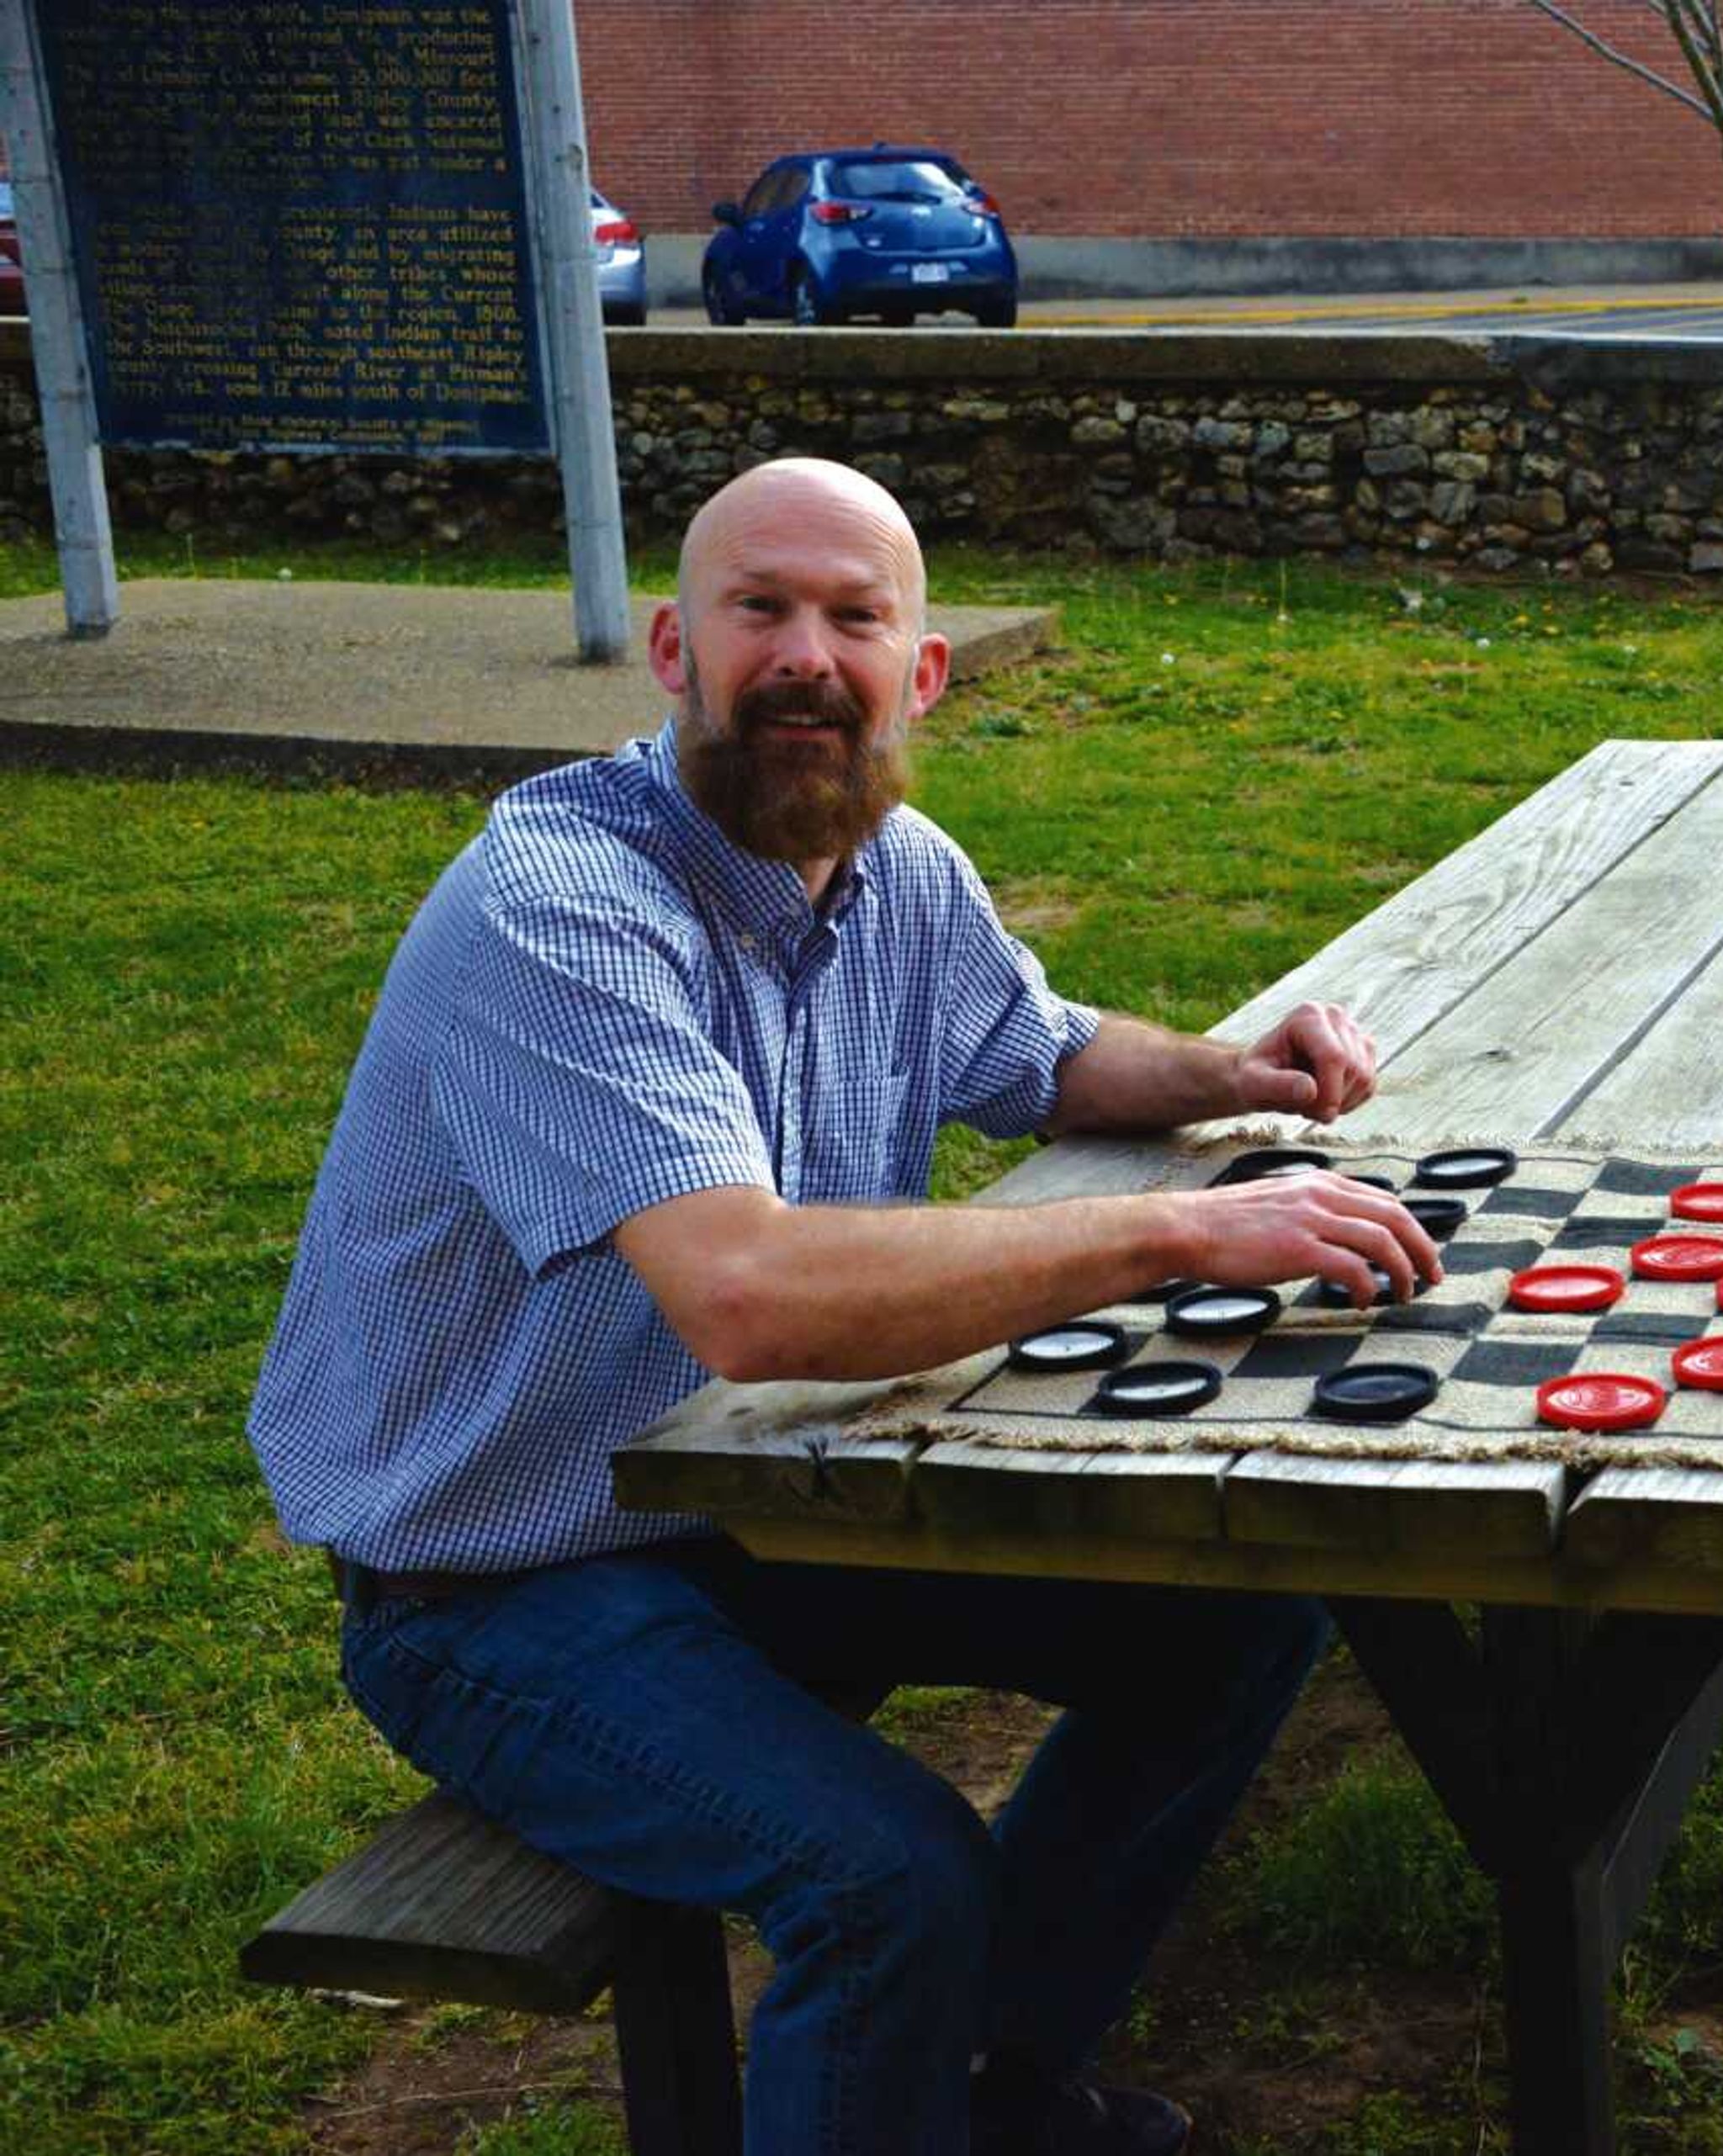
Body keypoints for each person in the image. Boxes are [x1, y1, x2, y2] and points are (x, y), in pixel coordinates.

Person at [250, 458, 1444, 2156]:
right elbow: (748, 1297)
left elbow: (1040, 1052)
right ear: (675, 649)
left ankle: (983, 2090)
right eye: (761, 609)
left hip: (755, 1508)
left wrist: (1234, 1073)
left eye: (853, 617)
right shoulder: (559, 909)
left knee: (1235, 1616)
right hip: (501, 1580)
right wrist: (1181, 1232)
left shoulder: (894, 868)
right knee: (886, 1879)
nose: (806, 656)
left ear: (921, 670)